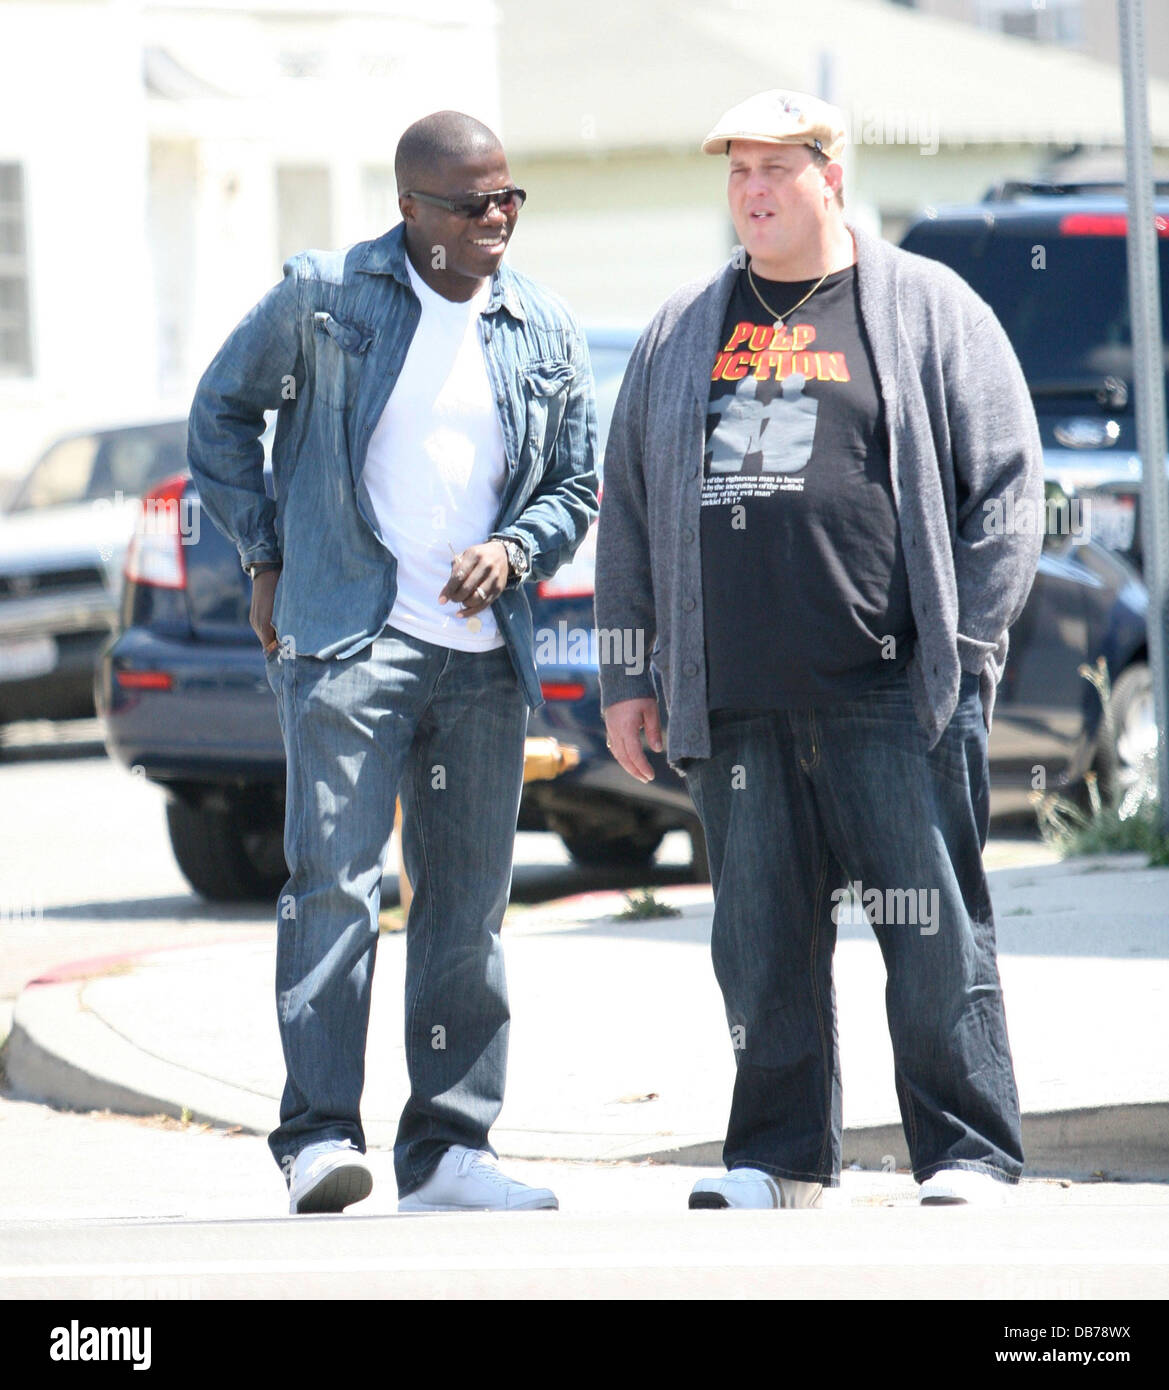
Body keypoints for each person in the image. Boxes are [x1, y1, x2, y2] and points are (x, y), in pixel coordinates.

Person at [594, 90, 1043, 1210]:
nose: (752, 190)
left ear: (831, 177)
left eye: (775, 169)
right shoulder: (680, 329)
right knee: (757, 948)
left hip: (891, 694)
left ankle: (968, 1153)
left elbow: (1008, 486)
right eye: (737, 171)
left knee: (933, 933)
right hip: (734, 699)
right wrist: (627, 676)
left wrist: (970, 643)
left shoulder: (927, 309)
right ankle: (778, 1157)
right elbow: (631, 511)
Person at [188, 110, 598, 1214]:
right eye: (469, 205)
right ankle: (318, 1140)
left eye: (508, 198)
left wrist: (515, 549)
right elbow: (220, 415)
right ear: (410, 209)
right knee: (336, 889)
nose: (494, 221)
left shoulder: (542, 326)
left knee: (467, 906)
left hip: (479, 661)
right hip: (349, 647)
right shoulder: (324, 300)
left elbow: (576, 483)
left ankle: (450, 1148)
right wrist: (265, 554)